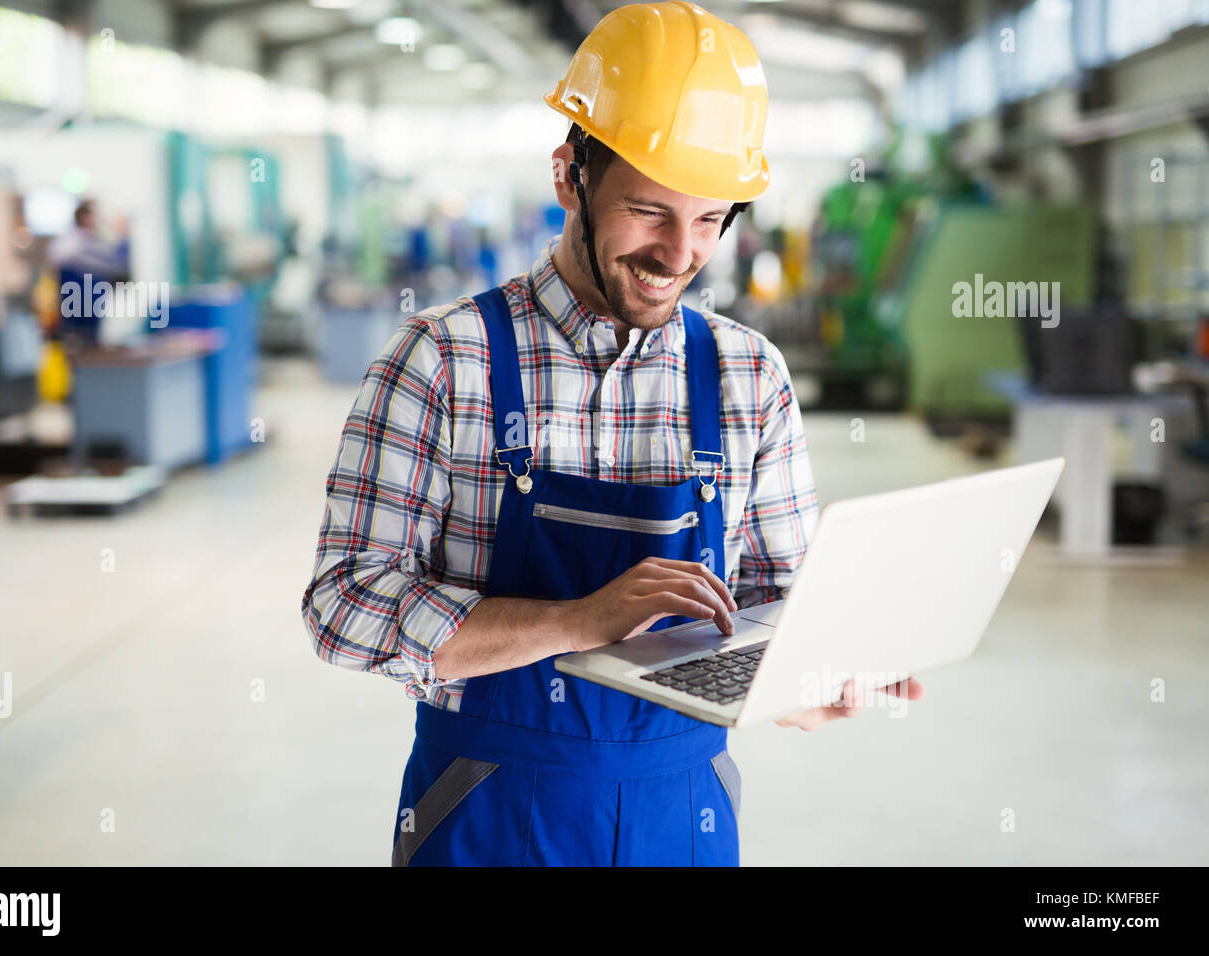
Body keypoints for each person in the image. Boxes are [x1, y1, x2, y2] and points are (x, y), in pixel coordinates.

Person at [301, 0, 922, 867]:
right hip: (487, 806)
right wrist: (577, 621)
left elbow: (776, 608)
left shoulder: (749, 377)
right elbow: (344, 604)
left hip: (683, 815)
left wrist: (810, 684)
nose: (679, 253)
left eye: (711, 219)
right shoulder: (444, 359)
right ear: (569, 177)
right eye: (650, 212)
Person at [47, 199, 130, 344]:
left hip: (90, 303)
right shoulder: (71, 244)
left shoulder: (91, 242)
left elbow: (116, 264)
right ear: (84, 218)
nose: (96, 221)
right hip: (79, 303)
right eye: (93, 217)